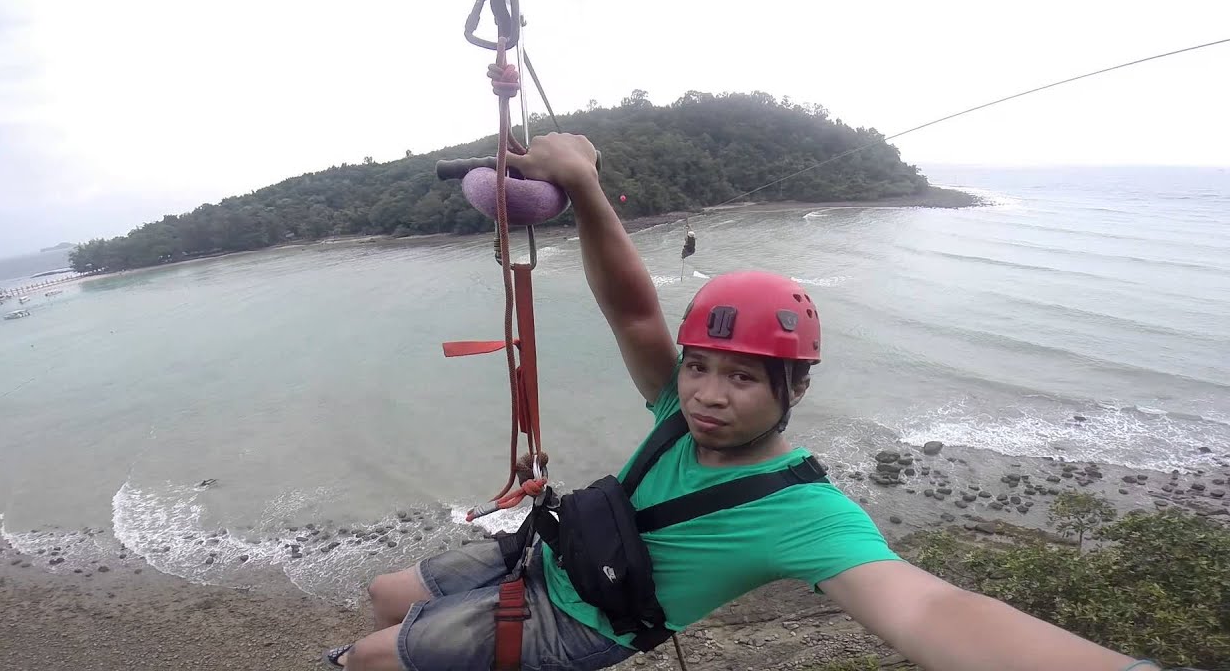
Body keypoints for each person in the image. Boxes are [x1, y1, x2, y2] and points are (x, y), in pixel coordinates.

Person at [323, 133, 1179, 671]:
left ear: (793, 389)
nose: (705, 395)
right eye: (699, 367)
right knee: (386, 590)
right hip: (556, 554)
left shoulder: (808, 515)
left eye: (740, 378)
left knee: (371, 657)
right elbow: (631, 307)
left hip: (579, 624)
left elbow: (932, 608)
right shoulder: (673, 408)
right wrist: (583, 187)